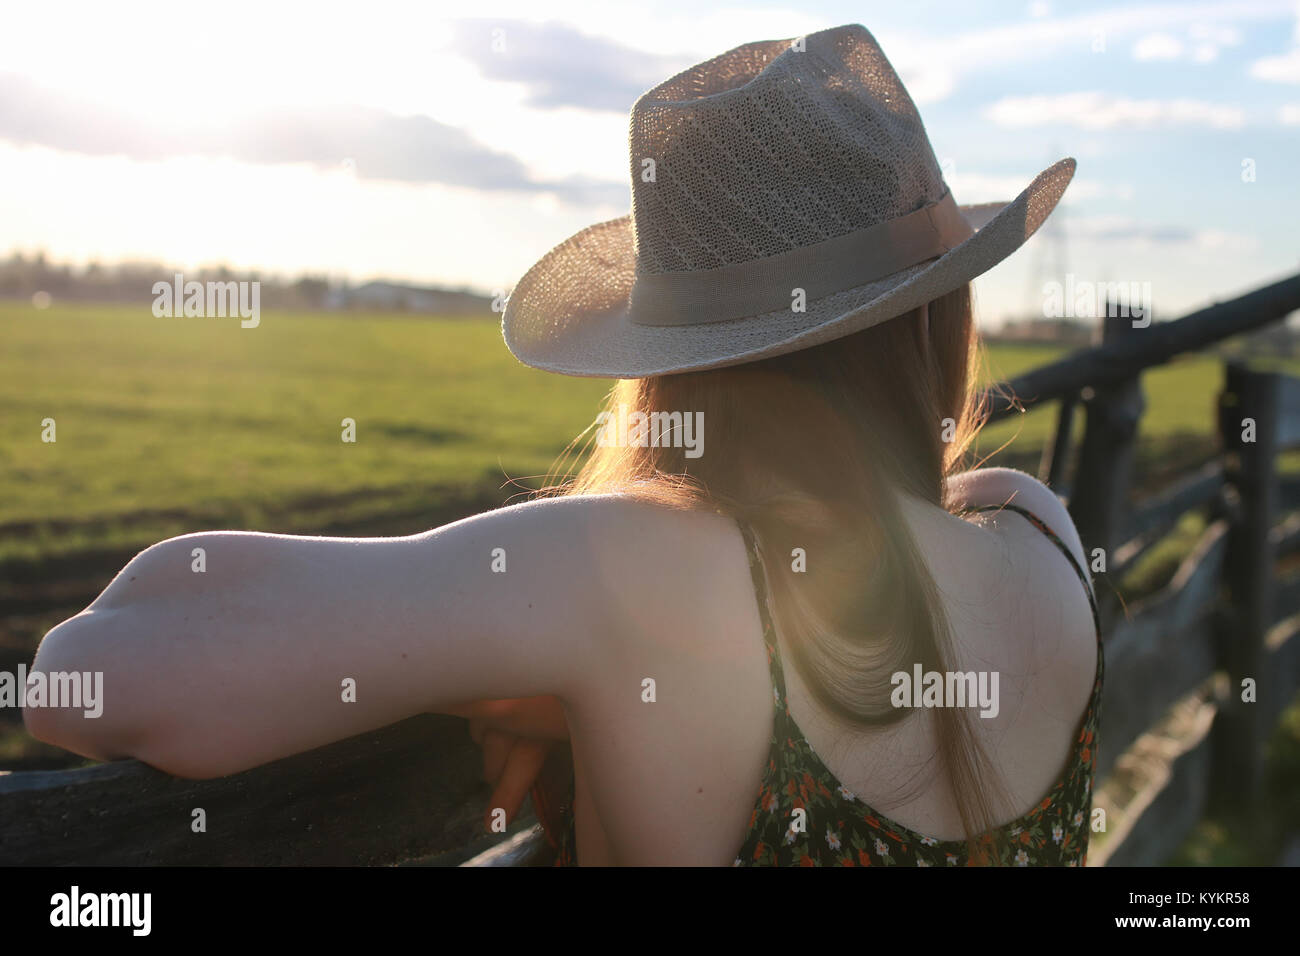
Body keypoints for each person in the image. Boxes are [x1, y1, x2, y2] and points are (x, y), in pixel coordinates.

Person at [24, 23, 1101, 867]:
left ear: (674, 353)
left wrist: (491, 667)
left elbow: (88, 672)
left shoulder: (645, 574)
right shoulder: (1034, 531)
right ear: (935, 316)